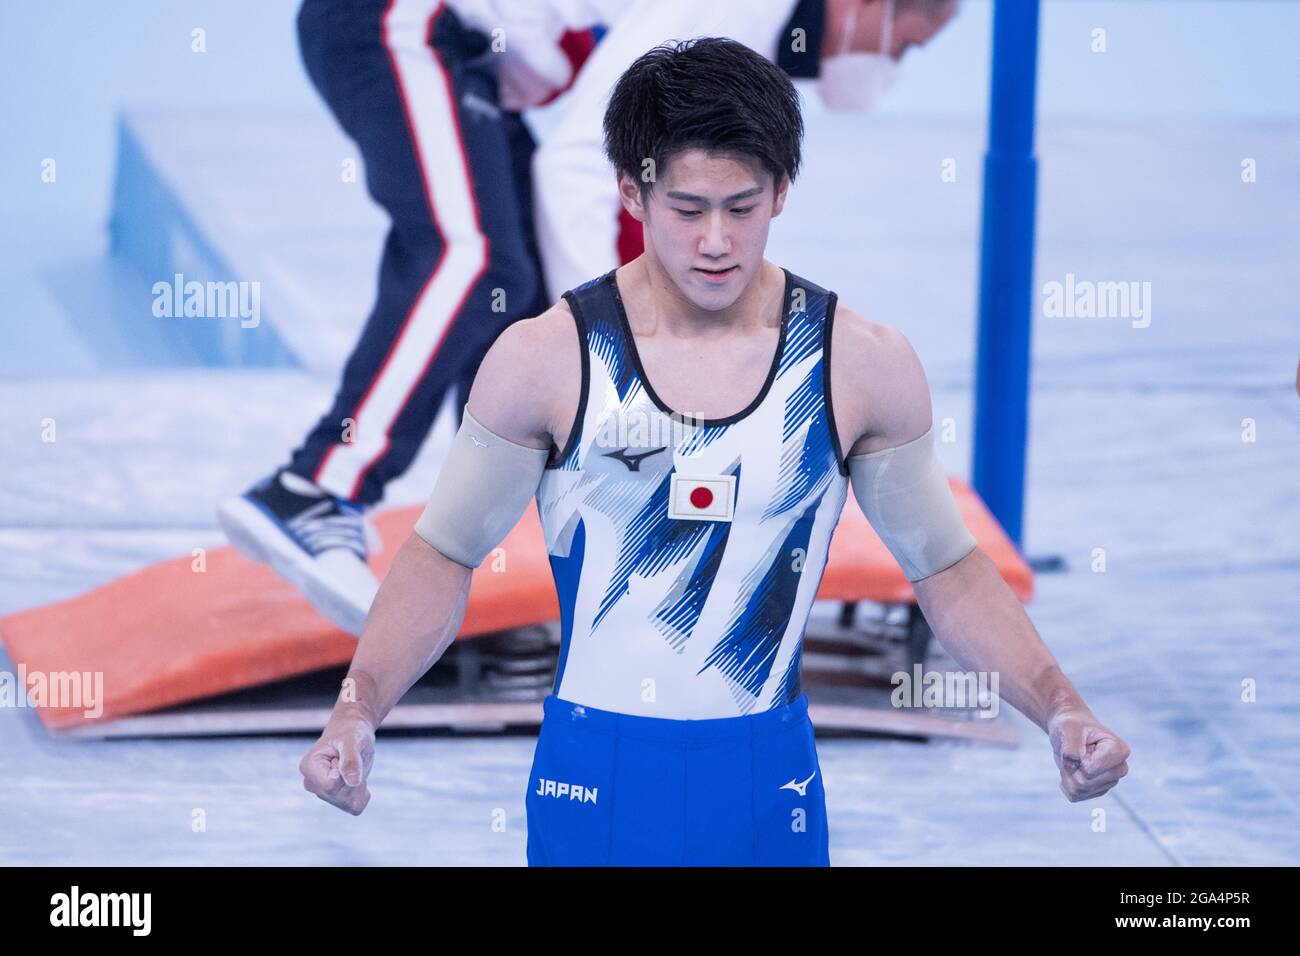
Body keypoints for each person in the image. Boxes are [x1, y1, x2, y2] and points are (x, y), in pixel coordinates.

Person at [299, 37, 1131, 866]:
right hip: (596, 788)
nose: (716, 241)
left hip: (769, 792)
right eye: (688, 209)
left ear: (782, 192)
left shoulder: (860, 364)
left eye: (743, 206)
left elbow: (946, 568)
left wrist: (1061, 707)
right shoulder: (545, 360)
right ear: (633, 191)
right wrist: (357, 709)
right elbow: (445, 552)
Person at [216, 0, 958, 637]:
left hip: (460, 55)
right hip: (399, 19)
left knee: (513, 300)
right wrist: (623, 355)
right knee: (473, 260)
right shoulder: (743, 9)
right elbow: (583, 167)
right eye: (909, 40)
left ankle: (499, 537)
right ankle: (312, 489)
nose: (893, 63)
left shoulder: (755, 38)